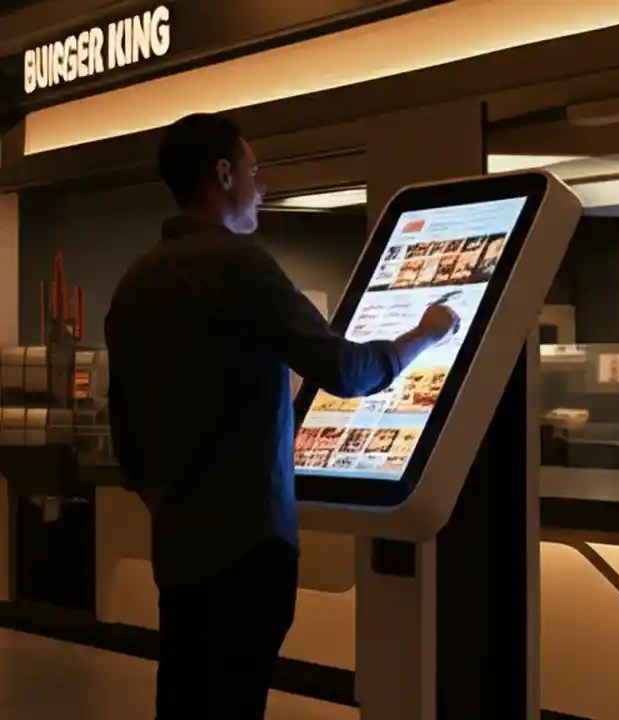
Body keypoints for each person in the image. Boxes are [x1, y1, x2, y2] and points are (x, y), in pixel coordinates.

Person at [104, 113, 457, 720]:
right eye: (253, 170)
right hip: (248, 550)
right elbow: (347, 371)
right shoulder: (238, 266)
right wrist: (425, 334)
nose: (261, 186)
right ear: (222, 174)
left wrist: (175, 507)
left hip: (180, 550)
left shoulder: (135, 284)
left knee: (186, 700)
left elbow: (127, 442)